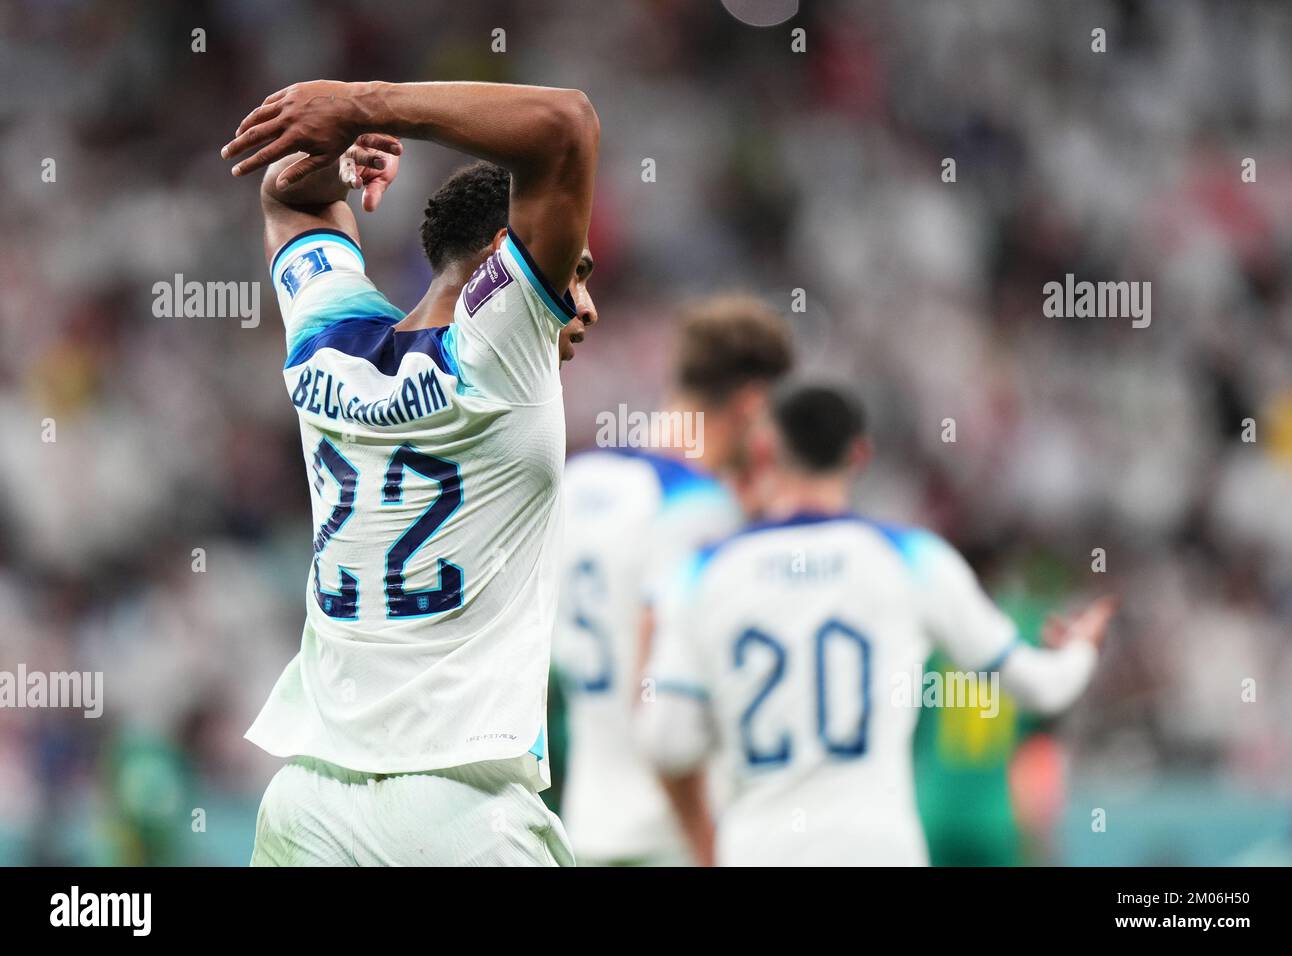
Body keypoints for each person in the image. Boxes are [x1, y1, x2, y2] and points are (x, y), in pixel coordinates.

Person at [220, 79, 599, 866]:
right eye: (579, 269)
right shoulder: (500, 349)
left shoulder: (328, 343)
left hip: (307, 804)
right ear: (506, 262)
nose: (585, 306)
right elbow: (567, 124)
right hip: (458, 814)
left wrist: (330, 162)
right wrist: (367, 107)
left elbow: (290, 199)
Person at [640, 383, 1116, 866]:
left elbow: (667, 742)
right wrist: (1082, 648)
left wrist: (705, 844)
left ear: (765, 451)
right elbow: (1044, 689)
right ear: (860, 455)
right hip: (876, 848)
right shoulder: (914, 559)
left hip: (759, 848)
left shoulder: (700, 575)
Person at [554, 294, 793, 865]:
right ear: (753, 404)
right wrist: (707, 845)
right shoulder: (699, 512)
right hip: (670, 835)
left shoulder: (581, 480)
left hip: (583, 824)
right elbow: (656, 692)